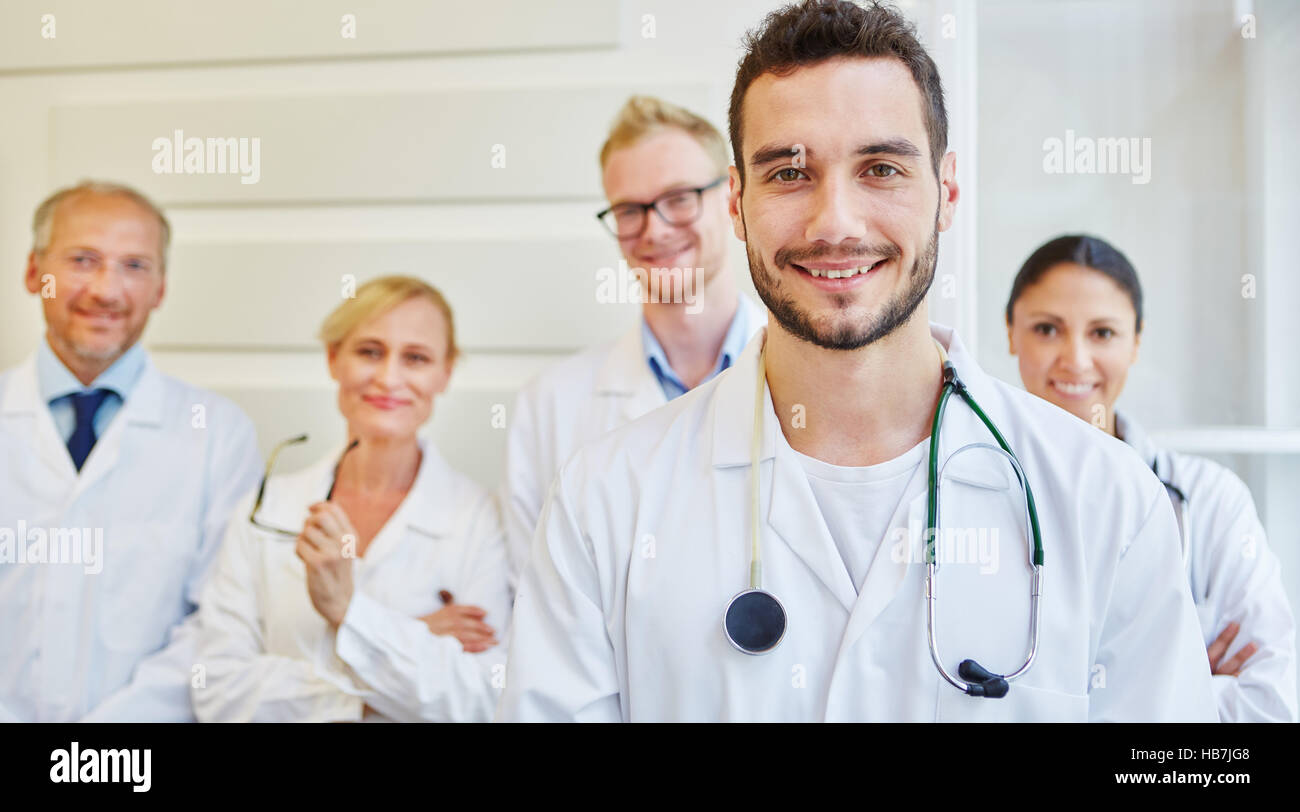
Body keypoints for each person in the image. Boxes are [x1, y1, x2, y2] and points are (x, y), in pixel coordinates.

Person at [496, 0, 1217, 722]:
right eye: (788, 173)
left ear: (948, 192)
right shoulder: (604, 502)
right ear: (738, 206)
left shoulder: (1106, 502)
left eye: (881, 169)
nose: (834, 223)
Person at [1005, 234, 1297, 722]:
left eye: (1102, 333)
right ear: (1011, 332)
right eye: (1047, 329)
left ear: (1137, 342)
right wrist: (1175, 682)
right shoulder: (963, 495)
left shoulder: (1211, 502)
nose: (1075, 359)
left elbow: (1271, 705)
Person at [193, 275, 510, 722]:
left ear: (445, 372)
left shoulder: (481, 519)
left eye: (416, 358)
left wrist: (349, 614)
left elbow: (485, 699)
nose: (388, 378)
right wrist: (408, 639)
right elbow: (218, 692)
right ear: (333, 358)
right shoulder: (266, 509)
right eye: (369, 352)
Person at [0, 181, 261, 721]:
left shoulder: (217, 434)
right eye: (82, 260)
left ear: (161, 288)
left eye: (135, 266)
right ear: (33, 272)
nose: (106, 290)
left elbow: (221, 620)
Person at [501, 95, 765, 582]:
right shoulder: (550, 405)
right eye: (629, 210)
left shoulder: (808, 379)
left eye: (679, 199)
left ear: (732, 198)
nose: (654, 230)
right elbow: (534, 593)